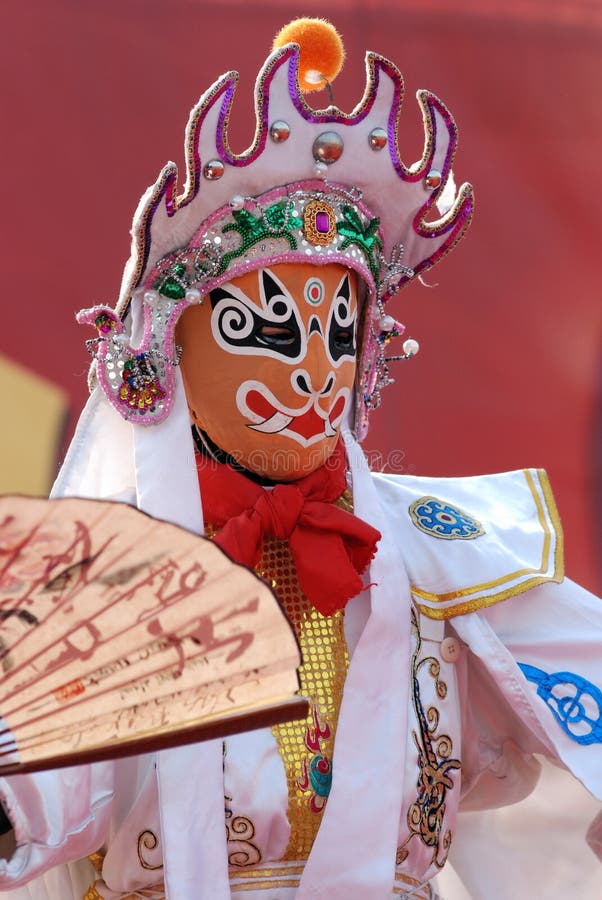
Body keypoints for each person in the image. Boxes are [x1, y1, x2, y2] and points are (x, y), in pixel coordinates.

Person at [0, 17, 600, 900]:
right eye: (266, 331)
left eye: (338, 330)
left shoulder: (450, 553)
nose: (315, 370)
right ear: (170, 348)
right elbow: (40, 778)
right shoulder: (104, 587)